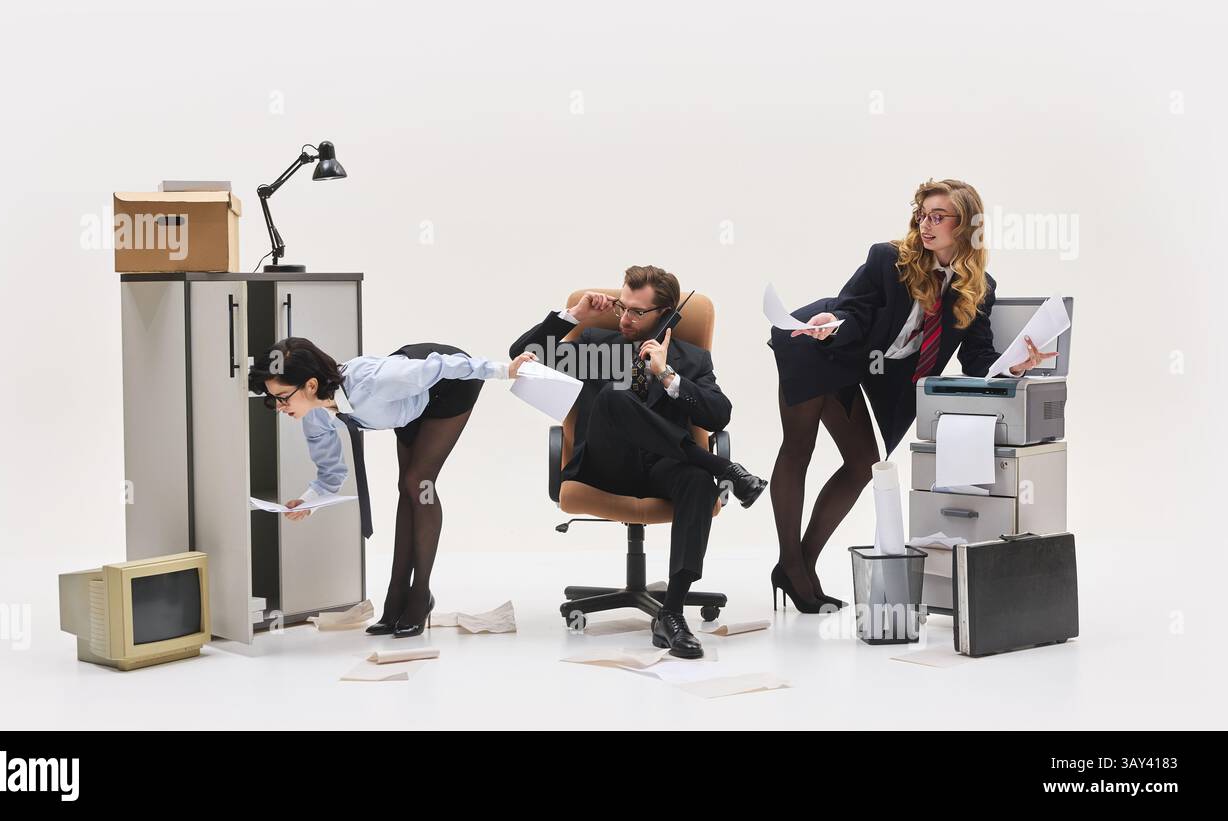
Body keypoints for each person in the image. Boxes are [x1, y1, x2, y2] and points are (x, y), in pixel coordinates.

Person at [767, 179, 1057, 613]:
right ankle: (792, 565)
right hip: (818, 342)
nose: (926, 224)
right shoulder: (889, 258)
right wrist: (834, 323)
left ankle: (799, 565)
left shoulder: (978, 286)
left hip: (860, 368)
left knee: (862, 465)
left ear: (967, 225)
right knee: (798, 449)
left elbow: (976, 357)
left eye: (938, 217)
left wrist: (1015, 364)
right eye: (922, 215)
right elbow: (854, 308)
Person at [511, 265, 767, 659]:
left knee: (698, 483)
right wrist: (574, 317)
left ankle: (672, 613)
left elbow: (718, 416)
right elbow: (522, 357)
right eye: (622, 308)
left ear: (665, 314)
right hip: (606, 467)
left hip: (665, 469)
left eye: (636, 312)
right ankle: (726, 470)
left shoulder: (691, 359)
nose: (625, 319)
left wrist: (667, 376)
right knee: (615, 399)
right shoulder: (600, 346)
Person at [249, 337, 537, 638]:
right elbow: (331, 473)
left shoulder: (376, 381)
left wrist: (506, 370)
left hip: (449, 384)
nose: (280, 407)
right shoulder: (315, 417)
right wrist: (308, 502)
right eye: (273, 401)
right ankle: (396, 594)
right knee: (407, 486)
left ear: (309, 385)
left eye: (282, 397)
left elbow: (440, 366)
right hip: (407, 405)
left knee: (419, 482)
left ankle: (420, 593)